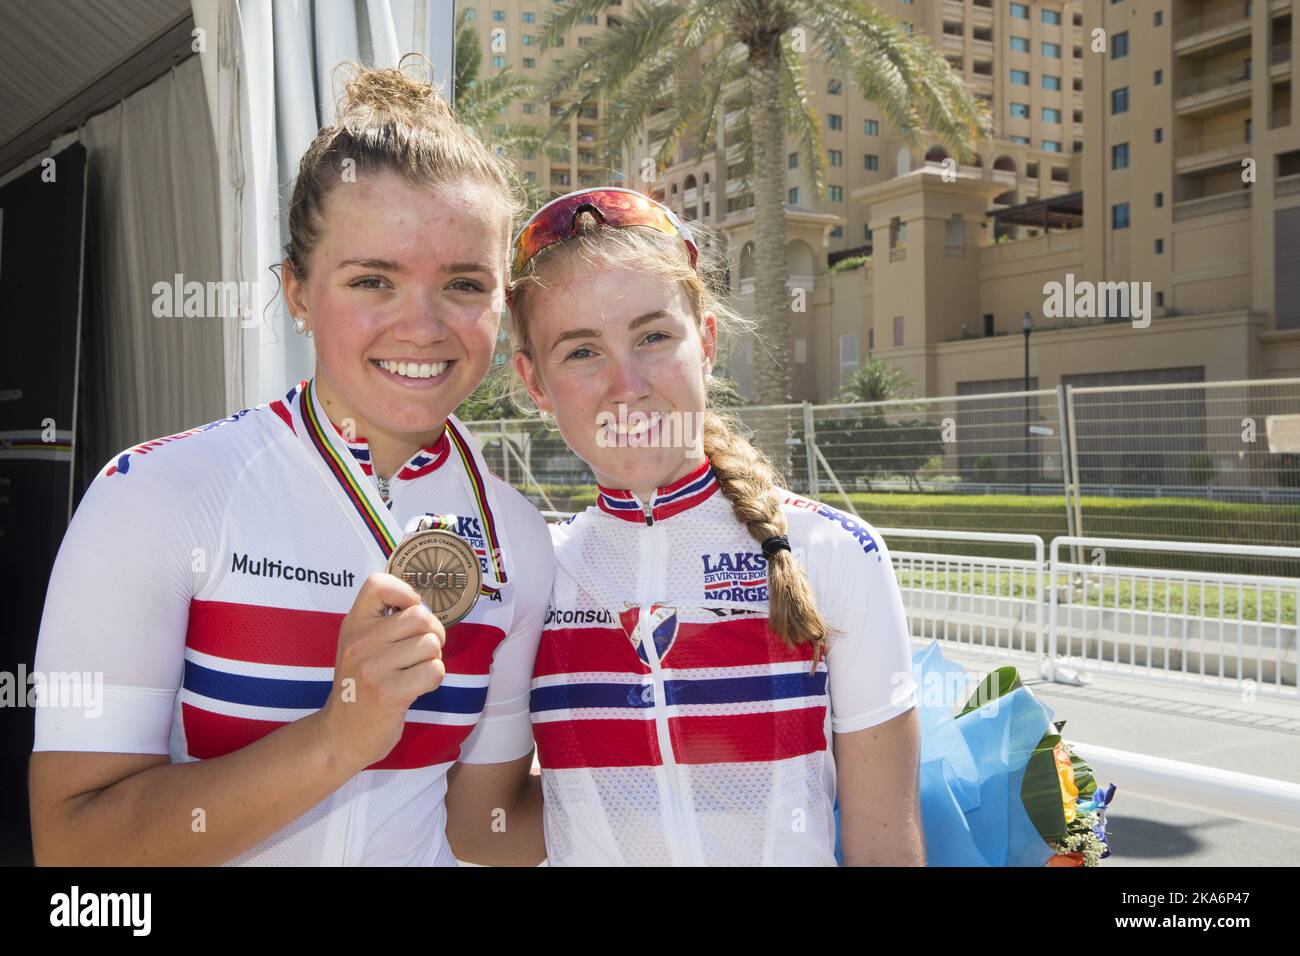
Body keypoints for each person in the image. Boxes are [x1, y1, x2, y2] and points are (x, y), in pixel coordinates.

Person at [28, 61, 551, 866]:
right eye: (372, 279)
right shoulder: (157, 495)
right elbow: (74, 846)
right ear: (298, 293)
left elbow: (482, 832)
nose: (422, 326)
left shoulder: (518, 534)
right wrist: (337, 739)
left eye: (464, 284)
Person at [508, 188, 926, 865]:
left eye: (652, 336)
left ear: (704, 342)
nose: (627, 385)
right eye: (582, 352)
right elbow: (485, 822)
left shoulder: (833, 554)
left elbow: (886, 850)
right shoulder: (531, 575)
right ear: (534, 381)